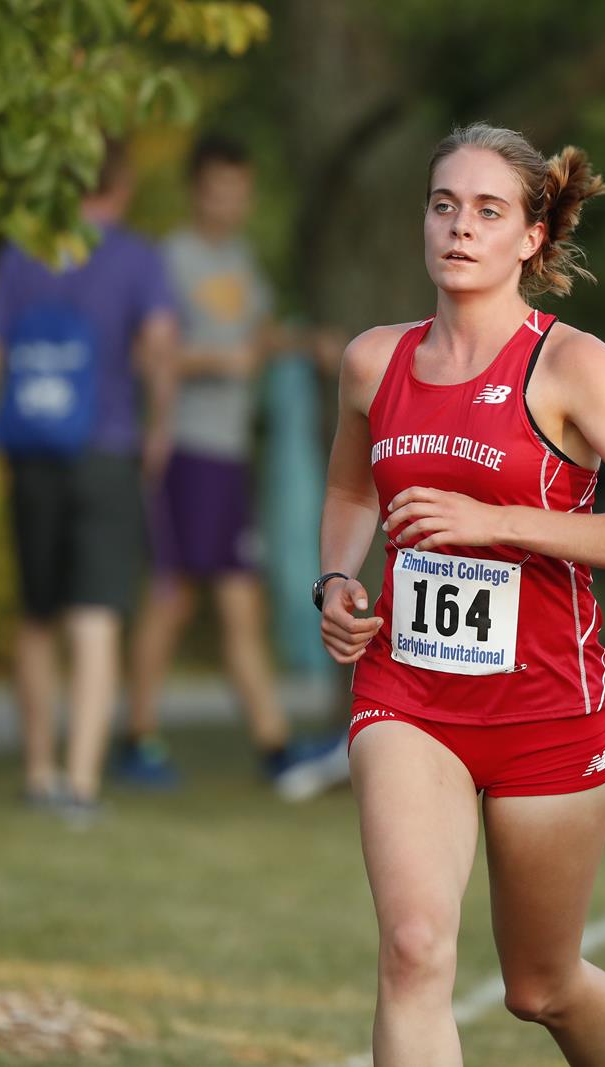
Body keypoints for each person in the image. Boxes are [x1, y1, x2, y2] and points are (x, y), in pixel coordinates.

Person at [316, 123, 605, 1065]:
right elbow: (351, 486)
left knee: (541, 986)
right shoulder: (375, 361)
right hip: (409, 696)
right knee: (412, 951)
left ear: (531, 237)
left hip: (548, 711)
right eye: (444, 205)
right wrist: (335, 577)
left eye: (489, 211)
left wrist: (503, 523)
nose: (460, 228)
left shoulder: (572, 366)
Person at [0, 141, 178, 825]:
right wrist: (158, 427)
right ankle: (80, 782)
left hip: (32, 453)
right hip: (106, 450)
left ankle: (38, 769)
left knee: (36, 615)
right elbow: (161, 348)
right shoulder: (136, 258)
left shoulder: (22, 254)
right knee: (96, 614)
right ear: (122, 184)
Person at [116, 132, 349, 800]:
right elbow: (144, 356)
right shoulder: (170, 258)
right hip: (182, 445)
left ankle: (276, 747)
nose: (231, 202)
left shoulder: (241, 260)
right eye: (219, 189)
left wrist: (308, 344)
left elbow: (258, 336)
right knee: (174, 596)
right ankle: (139, 737)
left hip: (228, 454)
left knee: (239, 598)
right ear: (196, 189)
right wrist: (216, 361)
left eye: (241, 192)